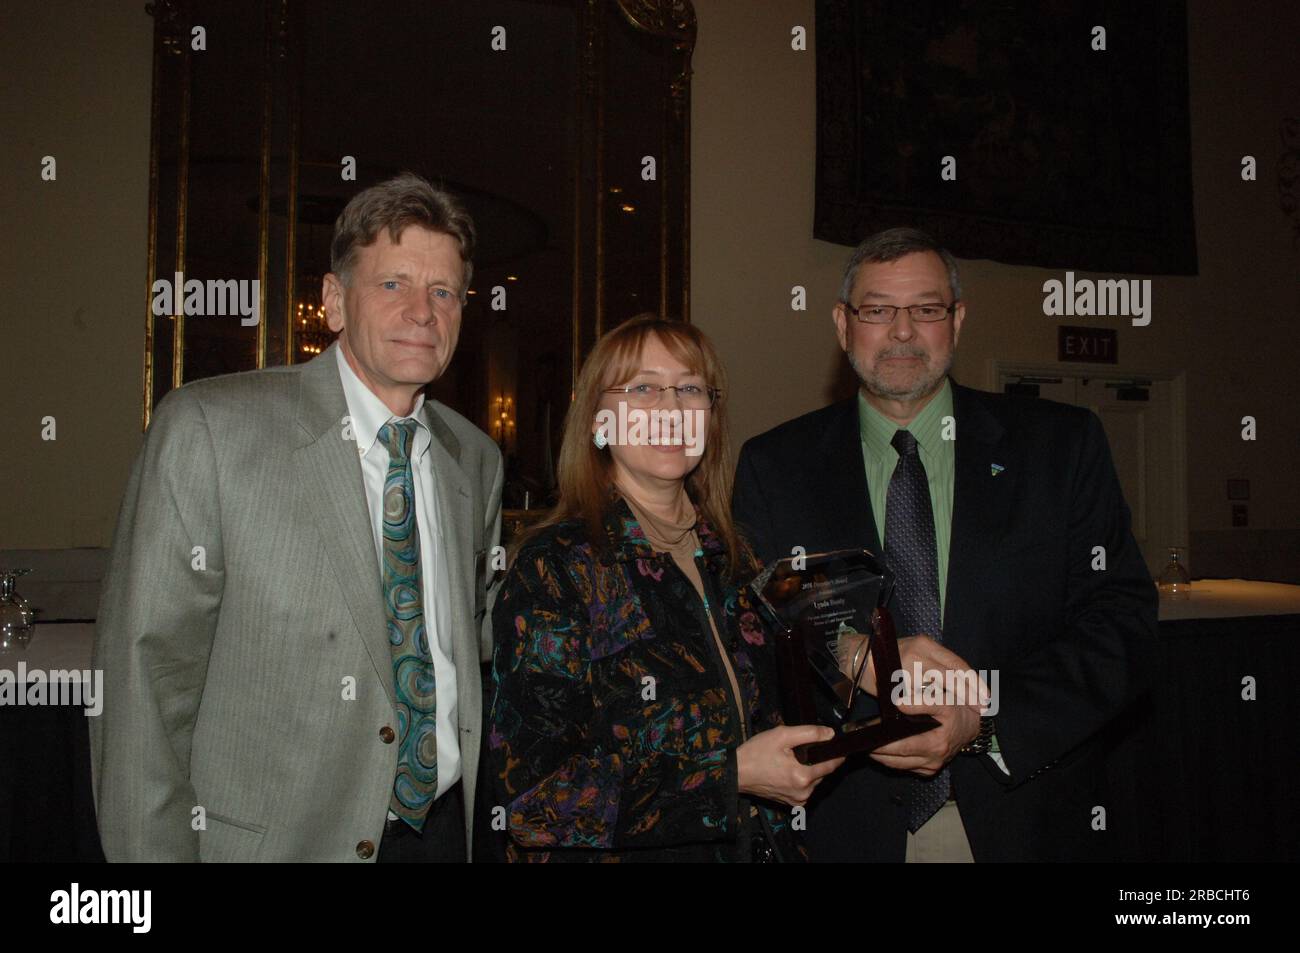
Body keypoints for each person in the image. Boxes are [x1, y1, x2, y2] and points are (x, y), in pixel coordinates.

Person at [90, 173, 503, 862]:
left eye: (443, 292)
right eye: (393, 284)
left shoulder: (474, 459)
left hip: (436, 836)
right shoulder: (211, 430)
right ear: (334, 301)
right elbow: (142, 685)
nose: (423, 312)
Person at [732, 228, 1157, 862]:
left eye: (926, 309)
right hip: (843, 829)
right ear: (844, 326)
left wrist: (983, 719)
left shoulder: (1061, 448)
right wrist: (848, 652)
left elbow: (1122, 627)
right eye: (877, 310)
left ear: (955, 321)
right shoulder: (775, 467)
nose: (902, 332)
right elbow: (751, 631)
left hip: (1027, 818)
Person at [488, 315, 841, 861]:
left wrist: (875, 655)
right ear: (599, 421)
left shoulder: (735, 555)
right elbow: (534, 799)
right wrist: (730, 777)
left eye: (690, 388)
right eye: (644, 388)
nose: (671, 409)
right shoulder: (557, 566)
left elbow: (796, 688)